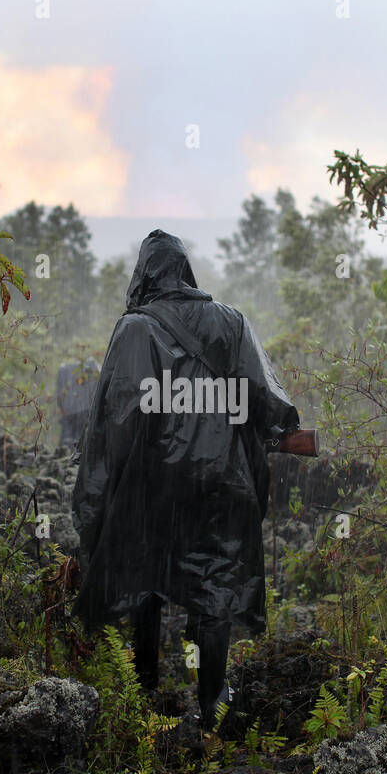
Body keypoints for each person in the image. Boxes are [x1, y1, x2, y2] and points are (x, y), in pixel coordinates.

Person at [71, 229, 300, 727]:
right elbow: (264, 398)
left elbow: (116, 415)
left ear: (144, 274)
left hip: (155, 486)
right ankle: (212, 699)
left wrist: (100, 491)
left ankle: (146, 689)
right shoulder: (231, 322)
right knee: (216, 579)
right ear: (185, 270)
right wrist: (281, 432)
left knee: (146, 570)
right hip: (222, 482)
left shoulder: (133, 329)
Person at [56, 358, 100, 448]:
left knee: (69, 440)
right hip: (84, 410)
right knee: (79, 438)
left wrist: (62, 407)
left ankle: (67, 457)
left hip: (70, 411)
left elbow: (59, 393)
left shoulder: (64, 370)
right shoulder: (92, 368)